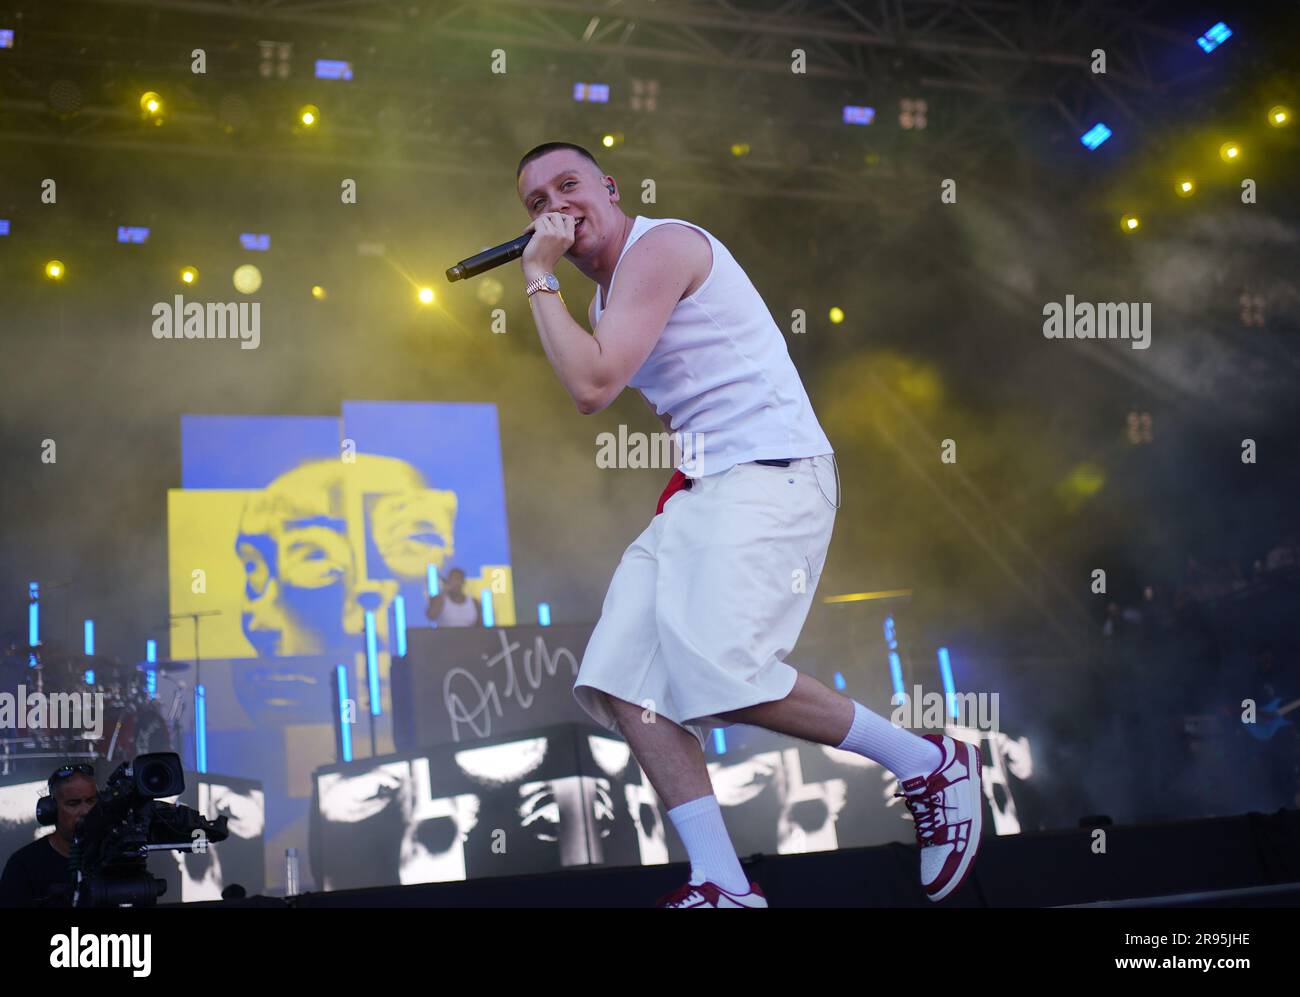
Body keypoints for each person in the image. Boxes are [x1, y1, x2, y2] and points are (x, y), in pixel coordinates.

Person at [515, 141, 983, 907]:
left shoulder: (662, 246)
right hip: (707, 487)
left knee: (719, 671)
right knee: (622, 679)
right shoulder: (604, 301)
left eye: (568, 185)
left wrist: (537, 277)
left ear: (610, 187)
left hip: (774, 473)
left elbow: (592, 386)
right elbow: (602, 375)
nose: (554, 206)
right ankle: (722, 883)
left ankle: (927, 759)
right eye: (536, 203)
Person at [0, 763, 97, 907]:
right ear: (50, 810)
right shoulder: (23, 865)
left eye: (90, 801)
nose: (85, 811)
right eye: (73, 803)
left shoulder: (114, 854)